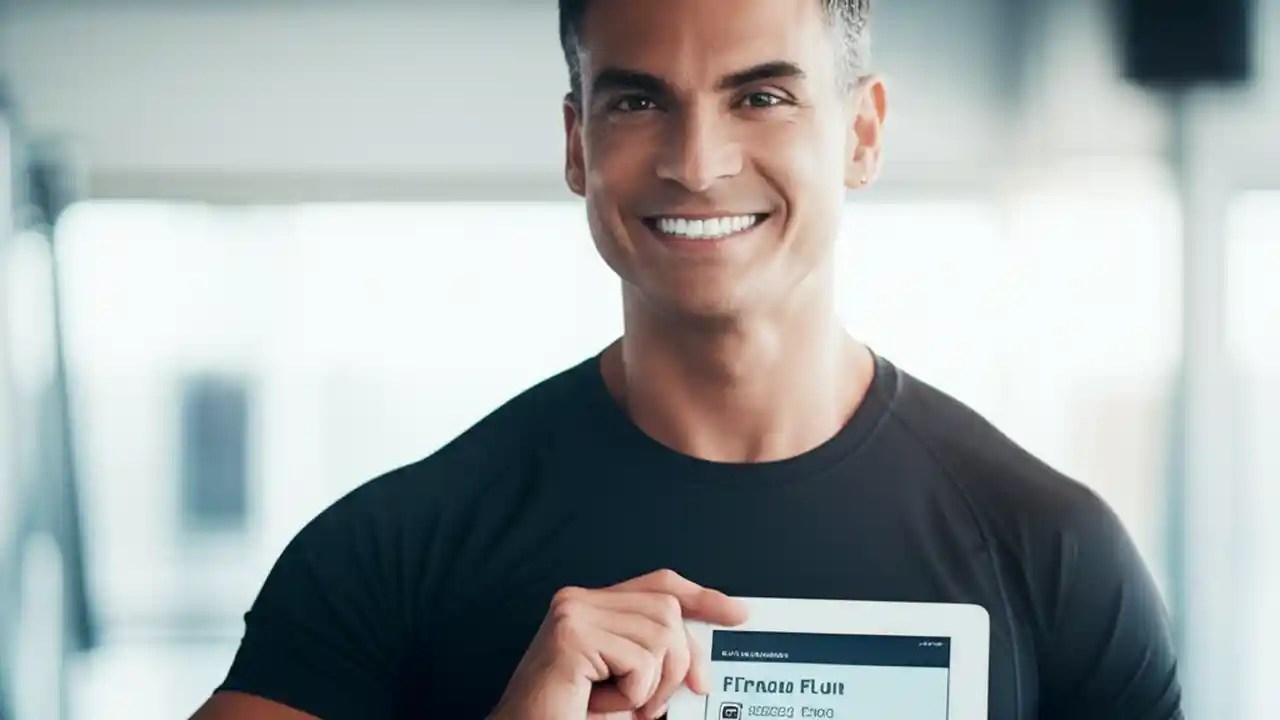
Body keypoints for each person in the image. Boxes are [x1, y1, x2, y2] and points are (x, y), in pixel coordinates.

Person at [193, 0, 1183, 718]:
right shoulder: (388, 553)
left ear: (862, 133)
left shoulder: (1052, 553)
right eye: (635, 103)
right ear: (576, 142)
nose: (696, 160)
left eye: (758, 96)